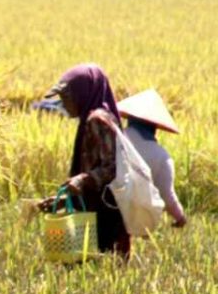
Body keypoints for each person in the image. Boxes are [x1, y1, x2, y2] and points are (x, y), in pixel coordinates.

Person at [39, 64, 130, 258]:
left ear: (84, 94)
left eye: (67, 98)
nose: (64, 104)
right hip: (97, 211)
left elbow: (112, 167)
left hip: (106, 216)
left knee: (105, 270)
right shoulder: (92, 119)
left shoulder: (97, 120)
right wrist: (64, 200)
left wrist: (82, 180)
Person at [118, 89, 187, 228]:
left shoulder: (114, 139)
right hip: (135, 223)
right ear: (154, 126)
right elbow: (167, 196)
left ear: (130, 119)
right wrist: (180, 217)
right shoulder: (161, 157)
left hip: (101, 213)